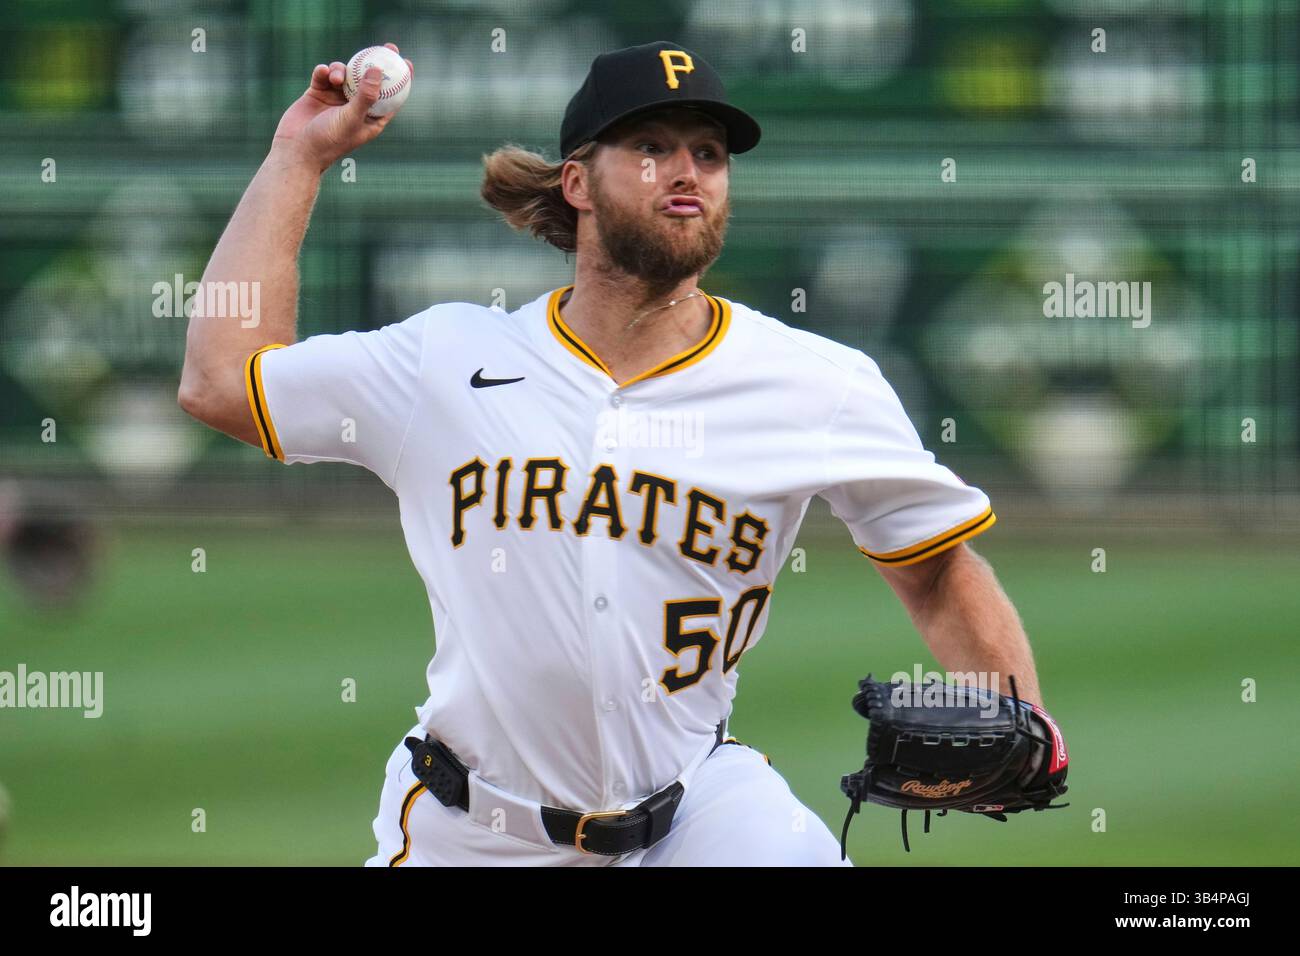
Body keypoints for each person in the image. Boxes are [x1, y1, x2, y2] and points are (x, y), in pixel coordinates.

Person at [179, 40, 1044, 866]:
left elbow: (934, 567)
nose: (686, 171)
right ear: (577, 183)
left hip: (694, 815)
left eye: (709, 152)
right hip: (472, 832)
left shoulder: (815, 383)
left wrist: (1028, 726)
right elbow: (222, 381)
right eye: (650, 146)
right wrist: (298, 157)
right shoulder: (444, 361)